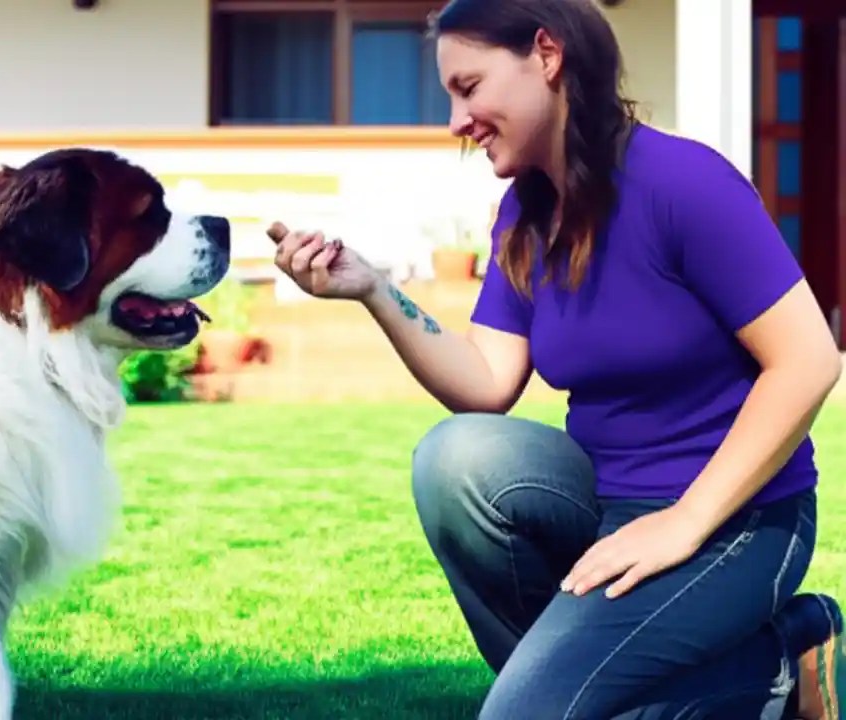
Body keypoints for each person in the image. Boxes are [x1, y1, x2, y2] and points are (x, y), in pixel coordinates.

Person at [266, 0, 844, 717]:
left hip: (740, 520)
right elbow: (484, 385)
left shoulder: (683, 183)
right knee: (456, 458)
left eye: (468, 88)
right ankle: (729, 683)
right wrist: (373, 289)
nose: (455, 122)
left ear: (546, 55)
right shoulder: (526, 214)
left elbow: (809, 360)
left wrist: (686, 520)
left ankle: (788, 657)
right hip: (607, 502)